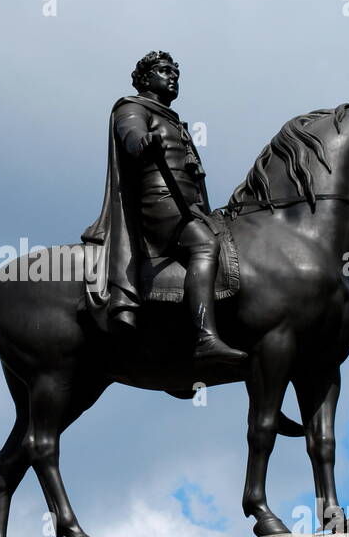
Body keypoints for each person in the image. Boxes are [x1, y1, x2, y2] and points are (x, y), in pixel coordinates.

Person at [83, 50, 246, 367]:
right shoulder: (132, 107)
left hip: (187, 206)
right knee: (204, 244)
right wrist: (143, 142)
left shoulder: (175, 121)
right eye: (164, 71)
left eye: (176, 73)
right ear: (145, 78)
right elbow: (131, 135)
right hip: (159, 203)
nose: (173, 77)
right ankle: (205, 337)